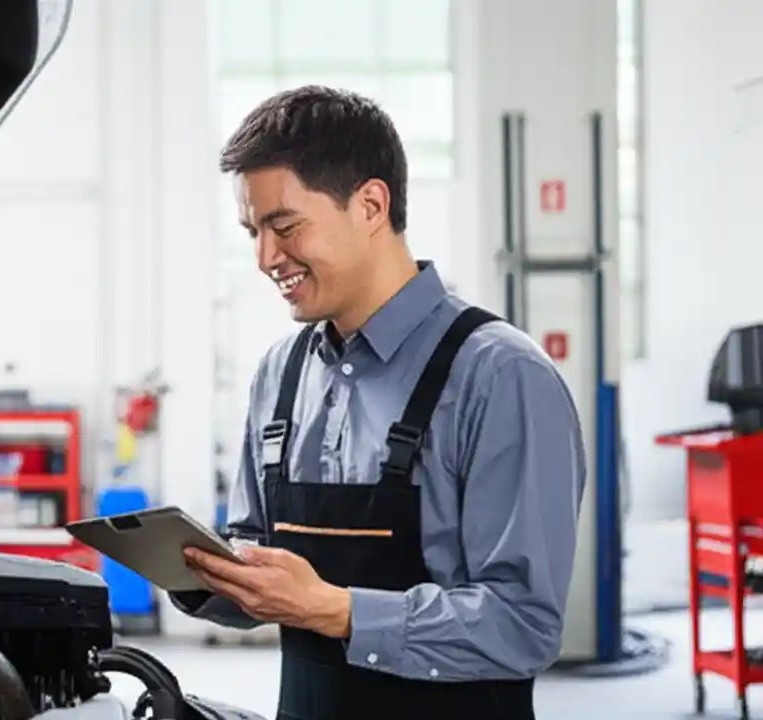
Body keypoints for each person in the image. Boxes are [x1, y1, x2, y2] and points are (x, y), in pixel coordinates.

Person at [174, 85, 585, 719]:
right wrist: (202, 572)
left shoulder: (501, 376)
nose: (265, 257)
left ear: (370, 205)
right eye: (253, 231)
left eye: (284, 226)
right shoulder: (280, 374)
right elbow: (256, 548)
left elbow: (522, 623)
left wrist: (337, 611)